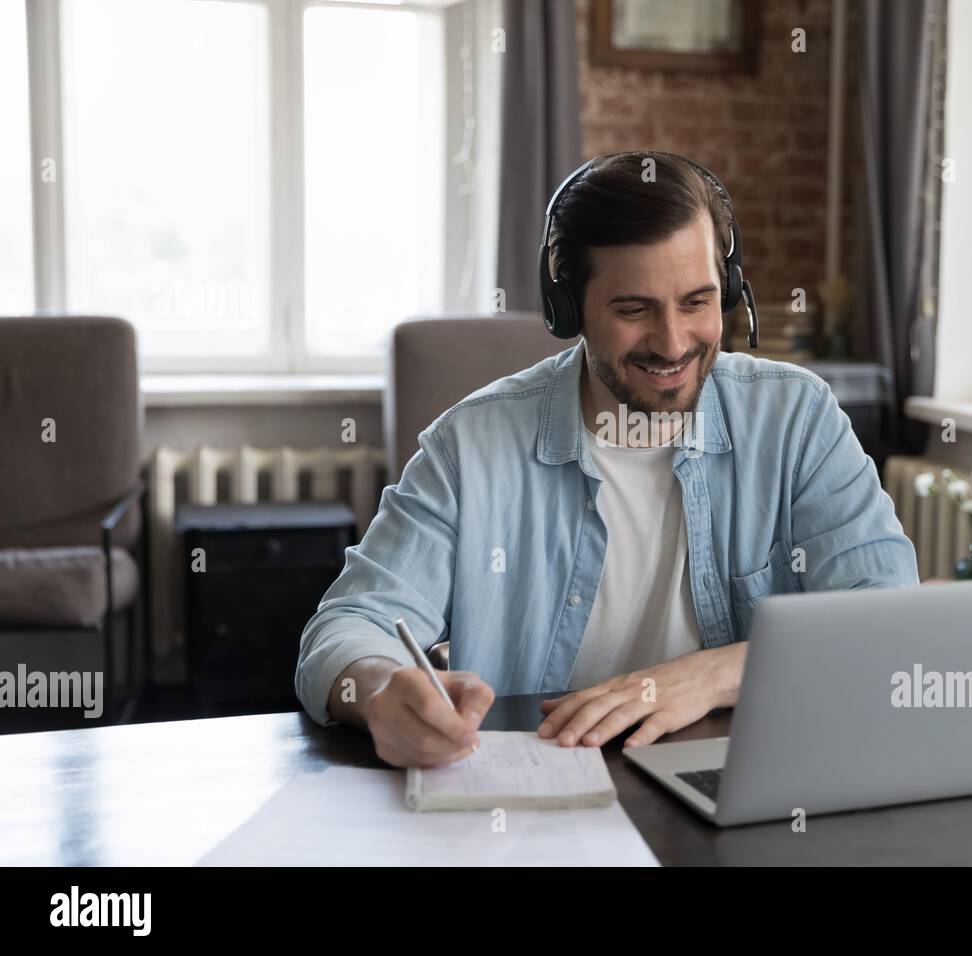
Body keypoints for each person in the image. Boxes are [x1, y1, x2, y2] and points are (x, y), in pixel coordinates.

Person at [295, 151, 918, 767]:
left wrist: (713, 677)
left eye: (697, 303)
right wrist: (380, 693)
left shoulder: (797, 420)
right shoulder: (470, 446)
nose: (673, 343)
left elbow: (884, 624)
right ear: (569, 310)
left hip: (743, 787)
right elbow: (348, 626)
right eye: (634, 309)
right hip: (539, 795)